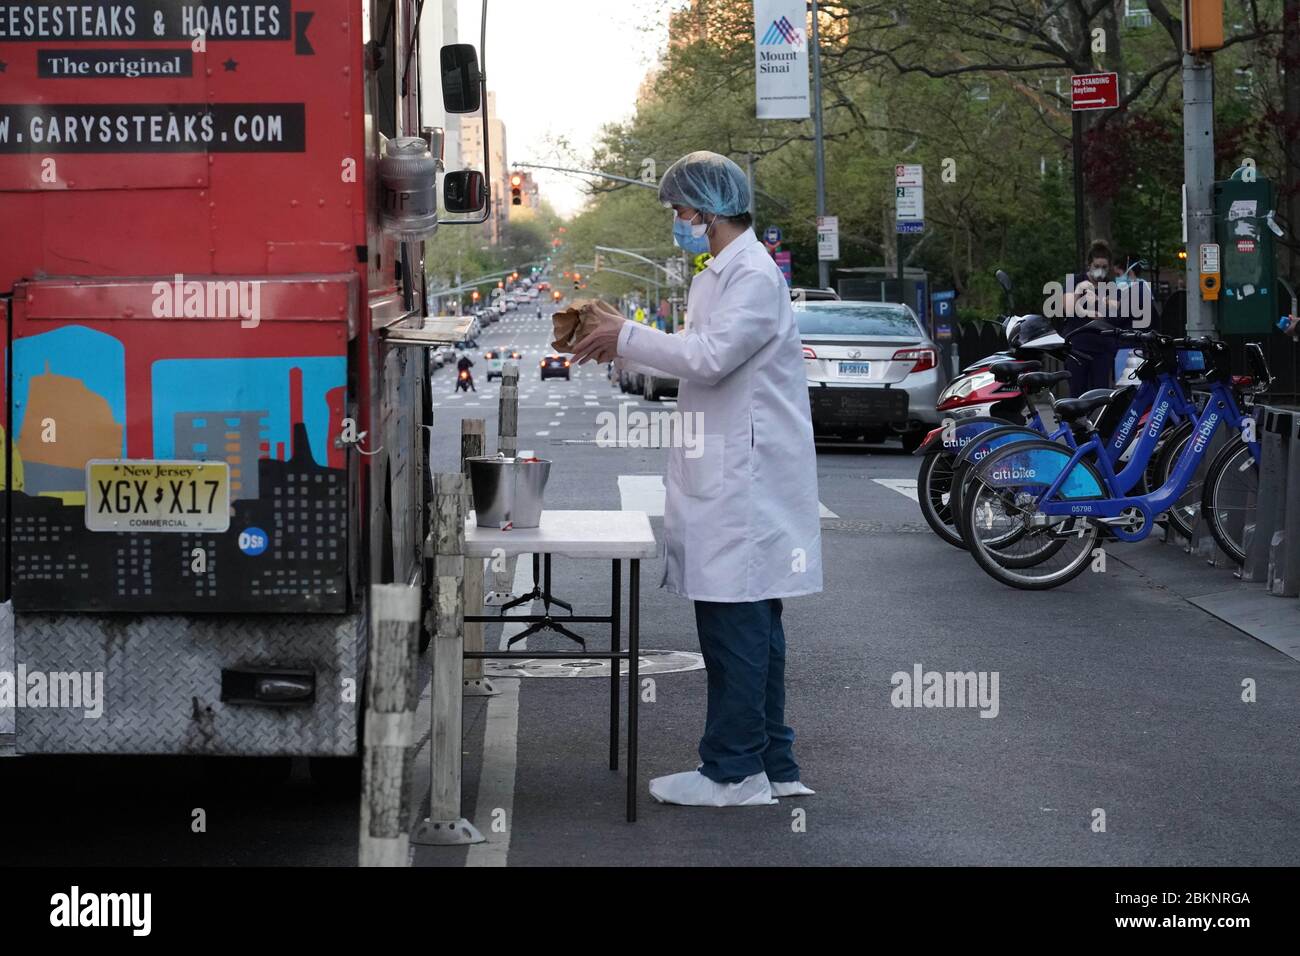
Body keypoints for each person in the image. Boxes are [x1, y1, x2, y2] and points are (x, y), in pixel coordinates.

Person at [571, 150, 822, 808]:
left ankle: (733, 772)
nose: (676, 223)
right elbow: (700, 357)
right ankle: (774, 762)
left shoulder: (752, 277)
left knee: (735, 621)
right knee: (753, 620)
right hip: (731, 468)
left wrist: (624, 334)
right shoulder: (720, 274)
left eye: (681, 211)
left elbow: (709, 359)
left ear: (709, 211)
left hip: (745, 478)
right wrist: (622, 338)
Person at [1062, 239, 1120, 396]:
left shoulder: (1111, 287)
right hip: (1077, 348)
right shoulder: (1074, 281)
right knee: (1076, 394)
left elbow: (1115, 309)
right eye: (1097, 266)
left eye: (1104, 267)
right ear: (1089, 265)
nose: (1100, 270)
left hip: (1102, 351)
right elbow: (1067, 307)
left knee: (1100, 396)